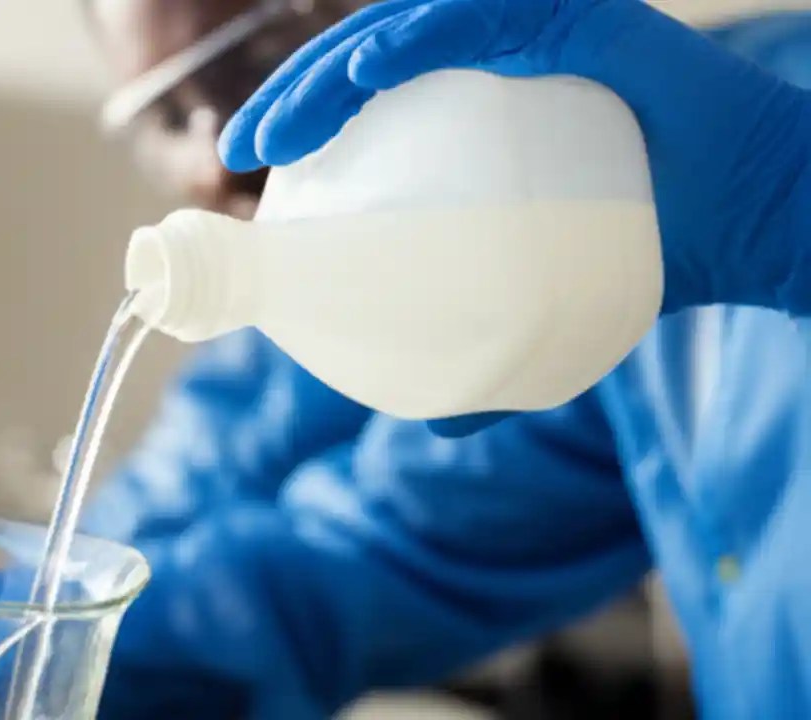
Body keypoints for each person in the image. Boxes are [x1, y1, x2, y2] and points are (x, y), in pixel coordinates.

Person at [82, 1, 811, 718]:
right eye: (168, 118)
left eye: (253, 55)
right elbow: (362, 563)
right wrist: (49, 636)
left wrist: (793, 204)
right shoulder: (603, 249)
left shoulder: (719, 149)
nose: (215, 158)